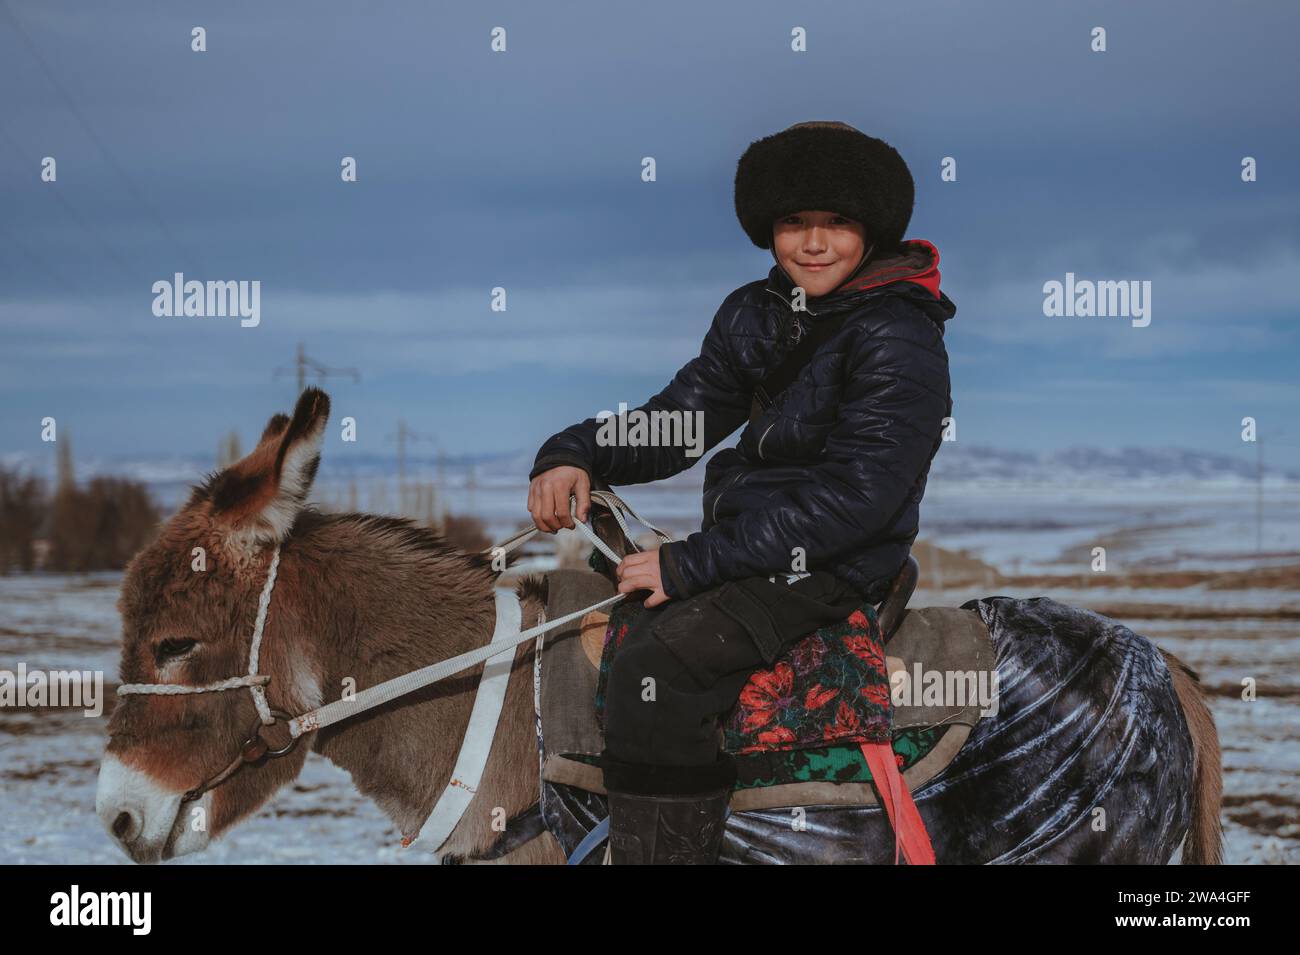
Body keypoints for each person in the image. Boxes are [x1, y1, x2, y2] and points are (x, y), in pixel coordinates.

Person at [526, 120, 955, 864]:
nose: (814, 243)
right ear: (768, 228)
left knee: (660, 672)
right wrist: (575, 453)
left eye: (838, 223)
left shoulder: (899, 336)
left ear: (874, 230)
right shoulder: (757, 315)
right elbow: (678, 422)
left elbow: (859, 499)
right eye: (795, 222)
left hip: (831, 561)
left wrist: (690, 565)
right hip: (750, 548)